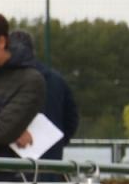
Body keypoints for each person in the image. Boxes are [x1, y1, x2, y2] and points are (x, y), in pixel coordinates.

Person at [7, 30, 79, 169]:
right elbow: (71, 121)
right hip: (50, 165)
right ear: (33, 51)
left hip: (10, 169)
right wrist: (54, 144)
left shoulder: (2, 79)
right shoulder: (57, 81)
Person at [0, 12, 47, 180]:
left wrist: (13, 130)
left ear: (0, 42)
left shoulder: (30, 80)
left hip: (1, 183)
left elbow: (0, 132)